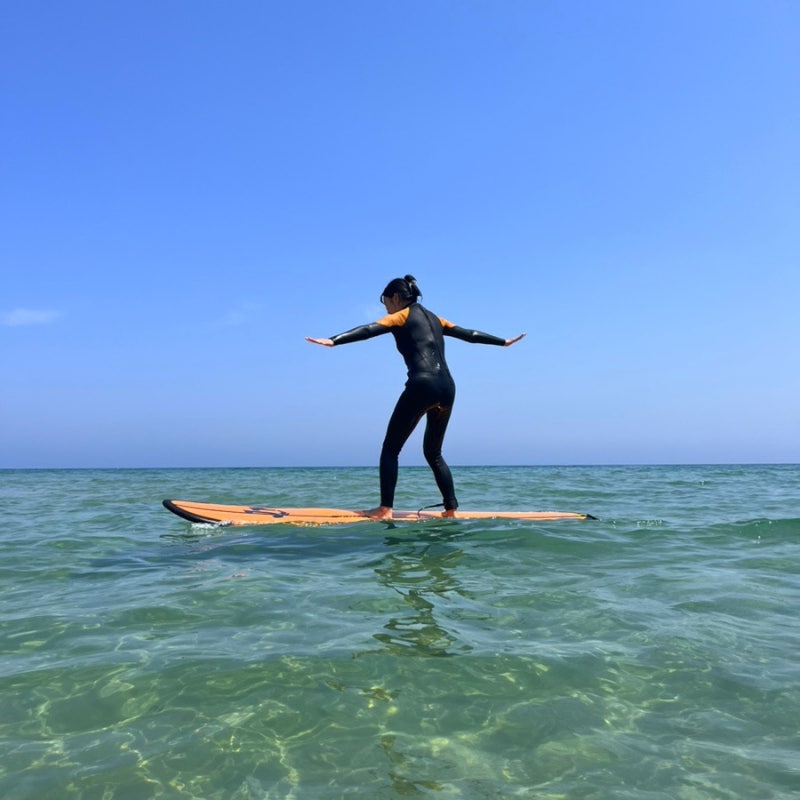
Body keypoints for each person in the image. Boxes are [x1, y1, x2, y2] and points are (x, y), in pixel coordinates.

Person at [306, 275, 525, 519]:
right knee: (433, 452)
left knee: (390, 448)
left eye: (386, 302)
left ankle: (384, 509)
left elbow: (369, 330)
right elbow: (470, 335)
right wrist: (503, 342)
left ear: (396, 298)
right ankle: (450, 509)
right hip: (448, 388)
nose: (386, 308)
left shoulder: (401, 315)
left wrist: (333, 340)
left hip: (423, 385)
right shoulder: (436, 318)